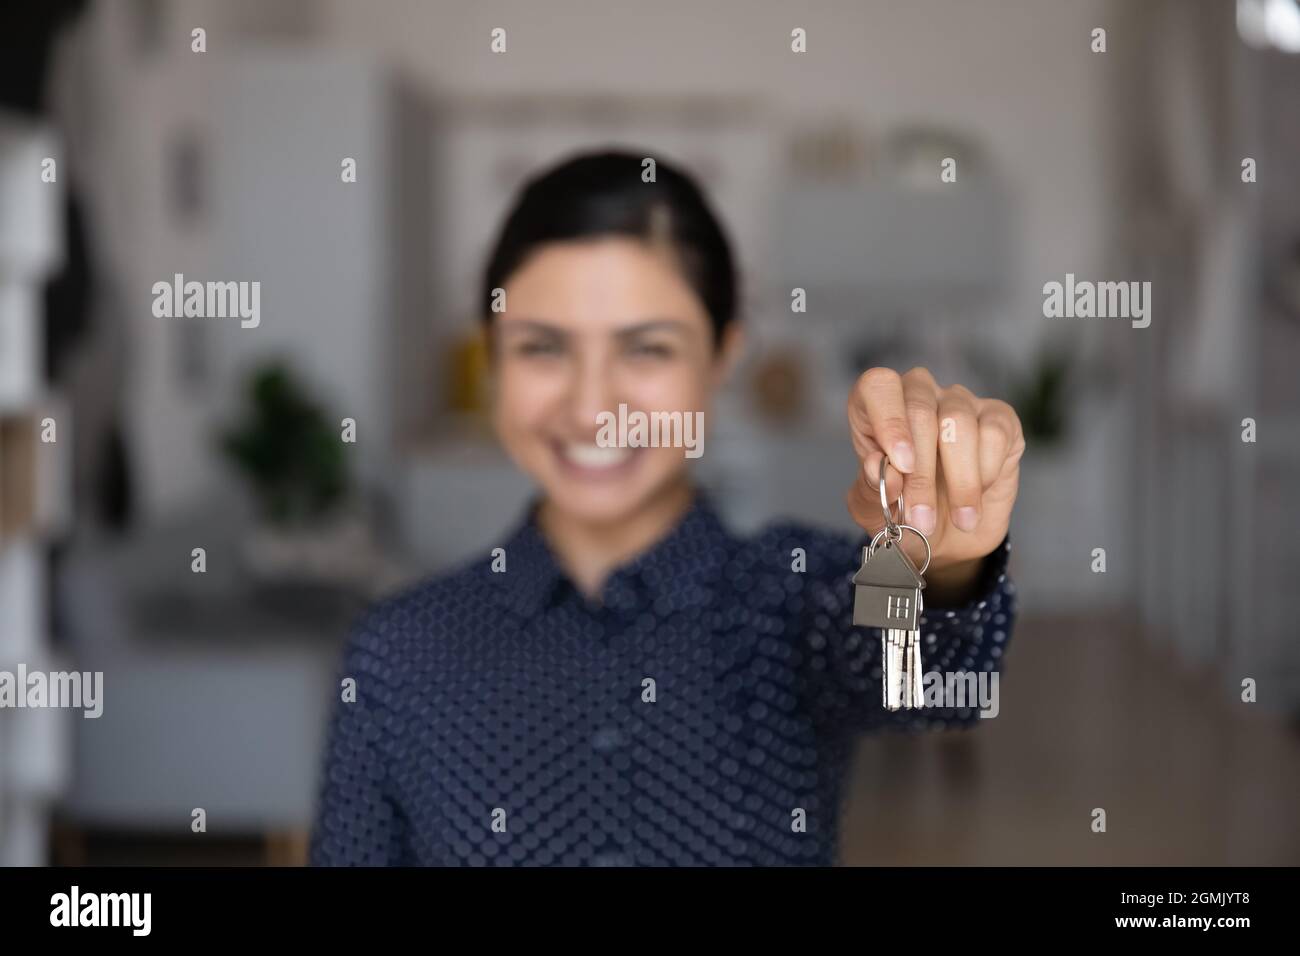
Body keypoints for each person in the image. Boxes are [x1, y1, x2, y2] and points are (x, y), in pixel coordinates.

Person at [310, 150, 1024, 866]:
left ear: (721, 358)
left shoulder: (794, 605)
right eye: (541, 347)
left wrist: (938, 558)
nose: (593, 409)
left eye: (647, 348)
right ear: (493, 357)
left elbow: (926, 684)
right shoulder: (396, 655)